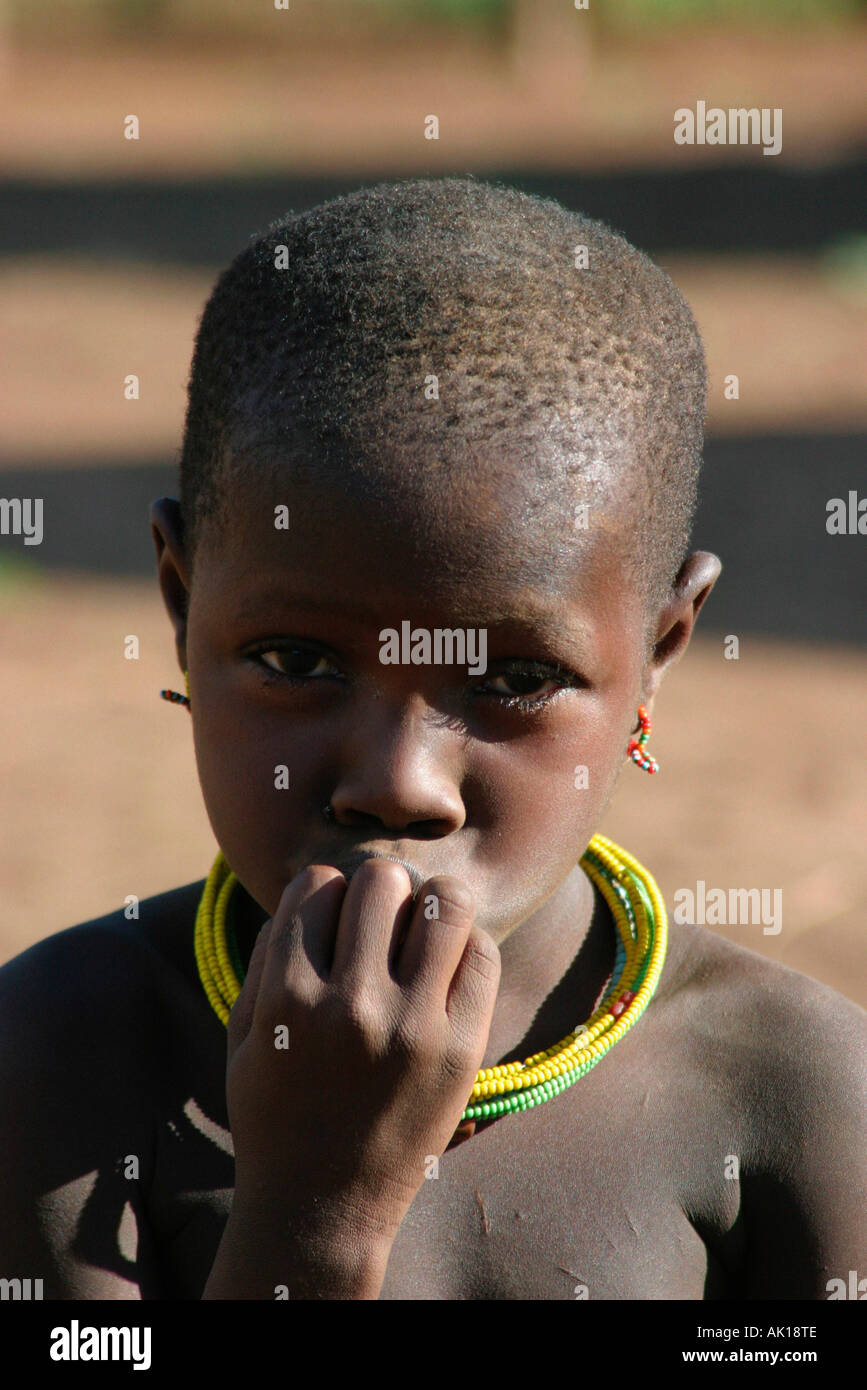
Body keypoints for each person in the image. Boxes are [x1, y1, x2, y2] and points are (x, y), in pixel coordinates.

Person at [1, 177, 864, 1300]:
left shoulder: (793, 1096)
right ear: (179, 604)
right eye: (297, 662)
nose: (400, 783)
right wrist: (316, 1221)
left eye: (517, 677)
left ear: (661, 649)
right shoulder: (59, 1063)